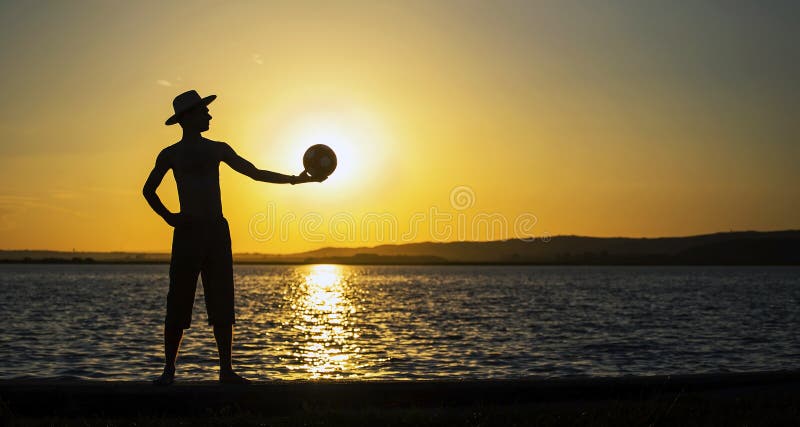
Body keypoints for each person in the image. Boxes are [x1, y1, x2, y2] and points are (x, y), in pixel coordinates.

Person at [142, 90, 324, 385]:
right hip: (187, 233)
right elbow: (148, 190)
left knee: (222, 300)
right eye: (204, 112)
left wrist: (296, 179)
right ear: (187, 118)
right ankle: (168, 371)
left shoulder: (218, 149)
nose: (210, 115)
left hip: (216, 232)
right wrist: (169, 217)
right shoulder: (170, 154)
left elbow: (254, 173)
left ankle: (226, 370)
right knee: (178, 300)